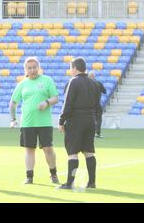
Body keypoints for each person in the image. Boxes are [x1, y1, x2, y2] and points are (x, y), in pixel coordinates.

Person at [9, 57, 60, 185]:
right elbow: (13, 103)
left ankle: (53, 174)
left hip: (45, 123)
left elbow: (56, 98)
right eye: (29, 68)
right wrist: (13, 119)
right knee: (29, 150)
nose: (32, 70)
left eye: (34, 67)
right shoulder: (22, 84)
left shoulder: (47, 80)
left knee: (48, 149)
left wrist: (46, 102)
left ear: (39, 67)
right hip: (27, 123)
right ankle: (29, 177)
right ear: (25, 70)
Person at [58, 57, 101, 190]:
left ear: (75, 68)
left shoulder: (73, 82)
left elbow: (68, 104)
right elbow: (98, 106)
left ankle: (69, 183)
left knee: (72, 152)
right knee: (89, 152)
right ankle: (92, 182)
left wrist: (61, 121)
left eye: (71, 67)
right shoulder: (94, 83)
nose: (70, 70)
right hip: (90, 120)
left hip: (76, 120)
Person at [88, 71, 107, 138]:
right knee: (98, 119)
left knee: (89, 119)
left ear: (89, 76)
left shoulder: (86, 84)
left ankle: (89, 133)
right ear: (94, 76)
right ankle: (97, 133)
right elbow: (104, 91)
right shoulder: (98, 83)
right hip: (97, 104)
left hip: (89, 105)